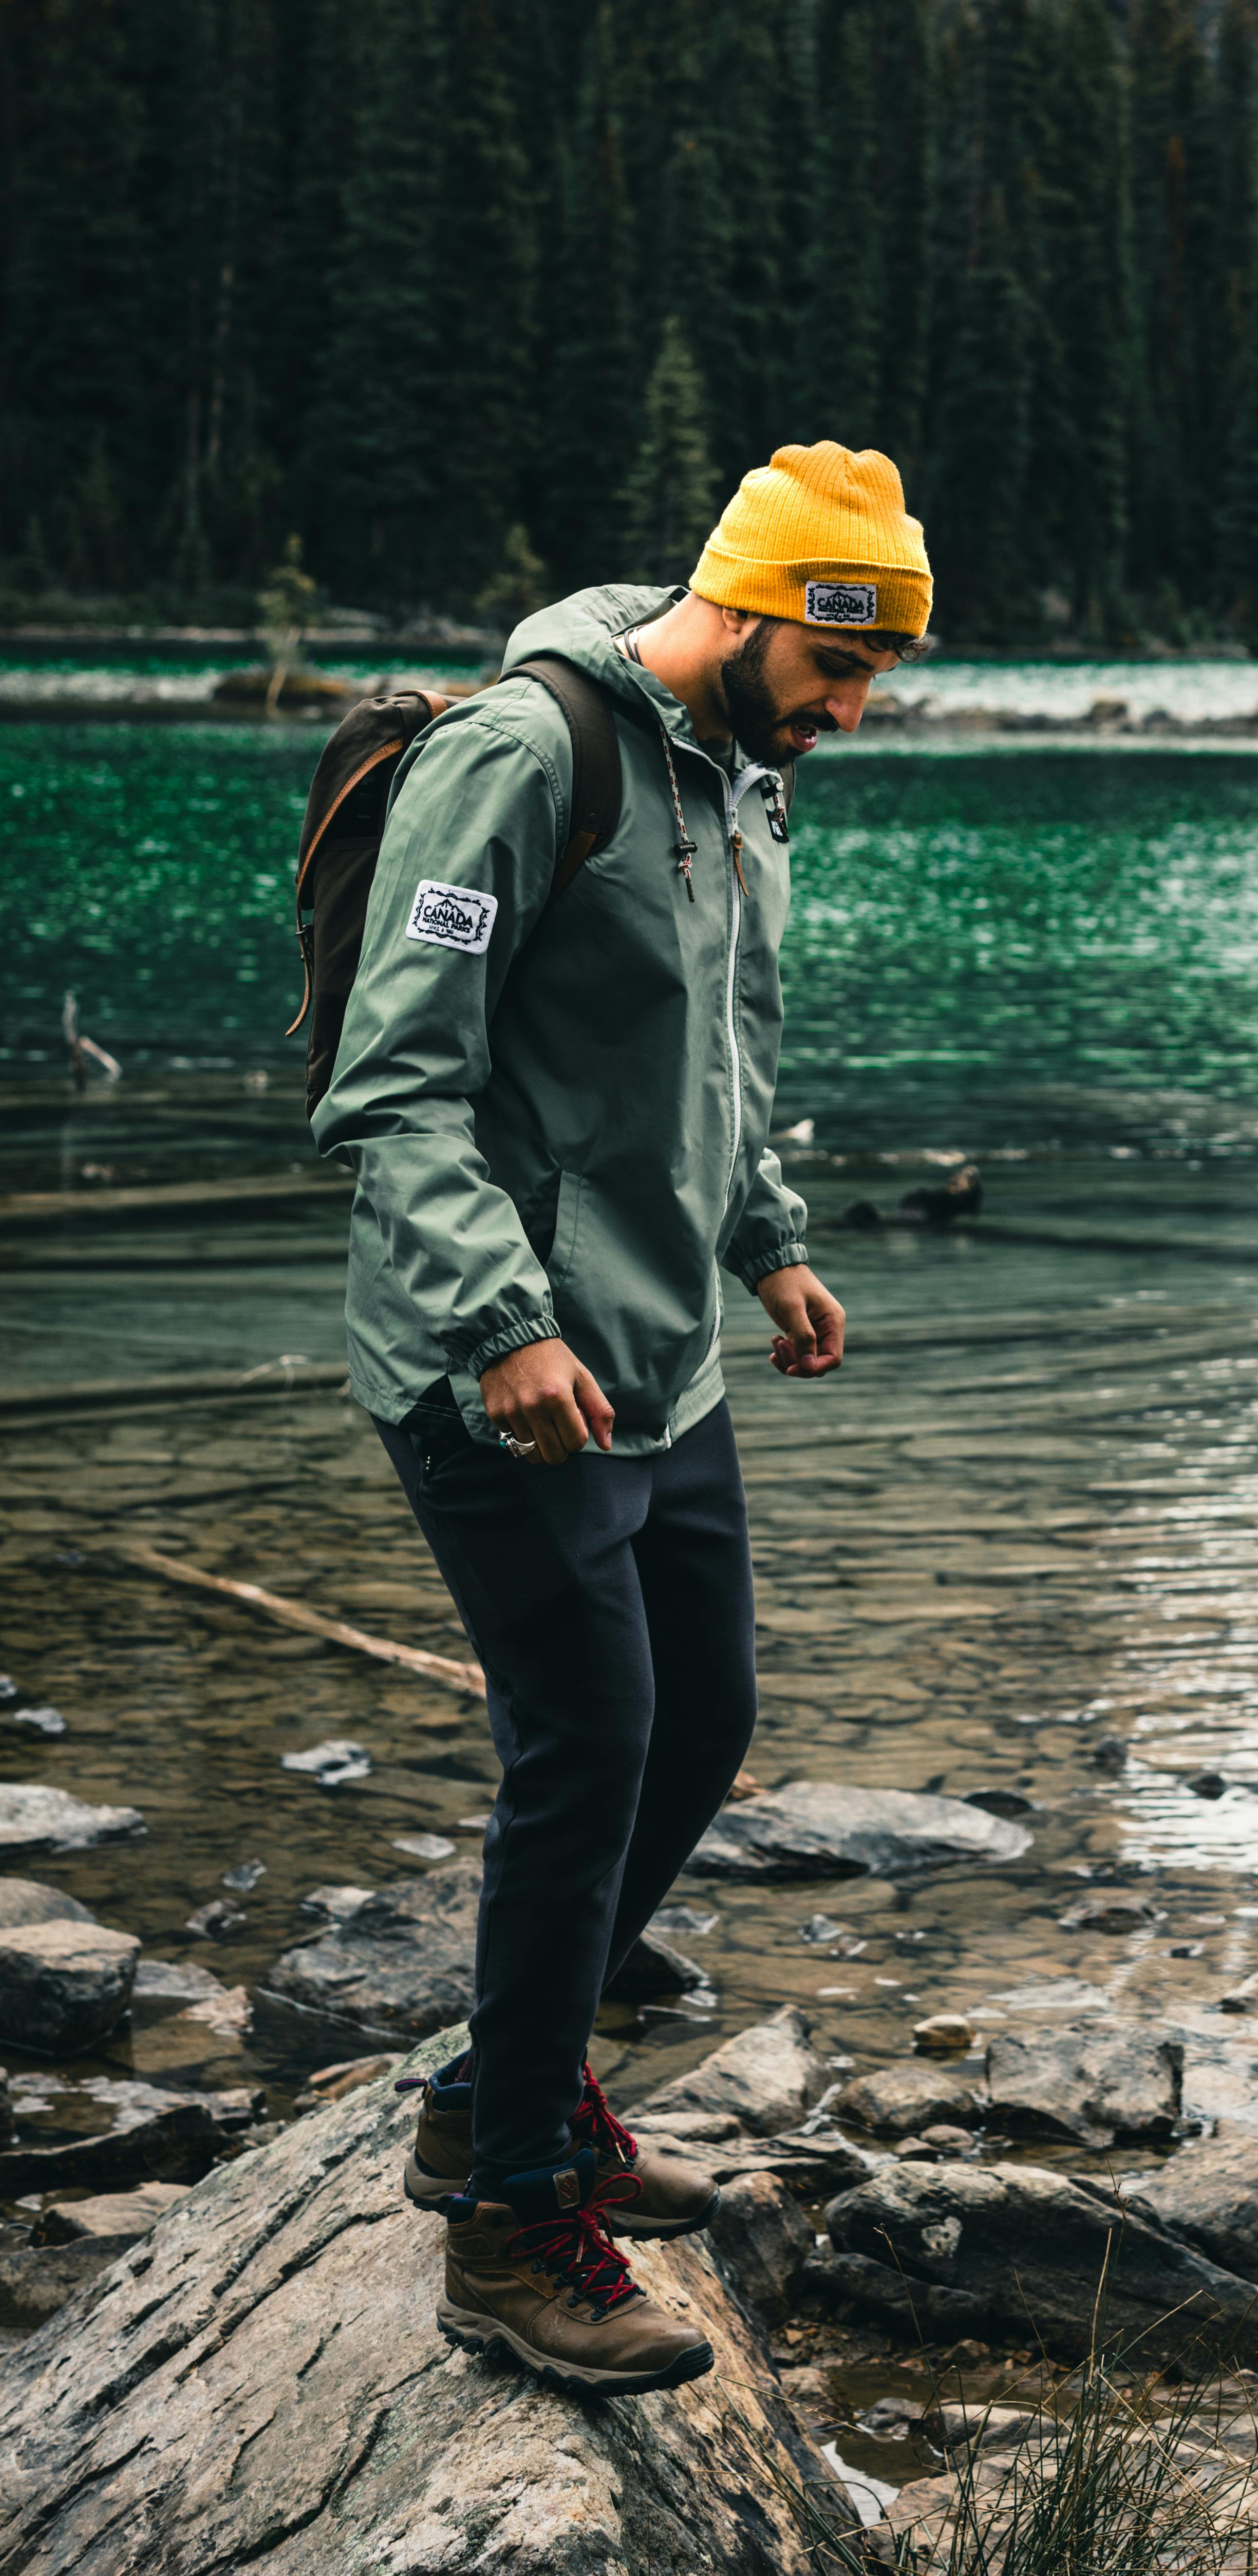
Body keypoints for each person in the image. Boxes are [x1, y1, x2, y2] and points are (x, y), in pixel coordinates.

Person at [318, 440, 933, 2392]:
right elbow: (393, 1085)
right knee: (585, 1746)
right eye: (839, 671)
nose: (854, 714)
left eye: (875, 679)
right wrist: (500, 1320)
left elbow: (720, 1055)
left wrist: (769, 1245)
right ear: (750, 614)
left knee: (707, 1716)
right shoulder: (524, 758)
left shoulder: (740, 779)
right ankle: (507, 2221)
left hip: (658, 1350)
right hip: (498, 1364)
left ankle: (489, 2090)